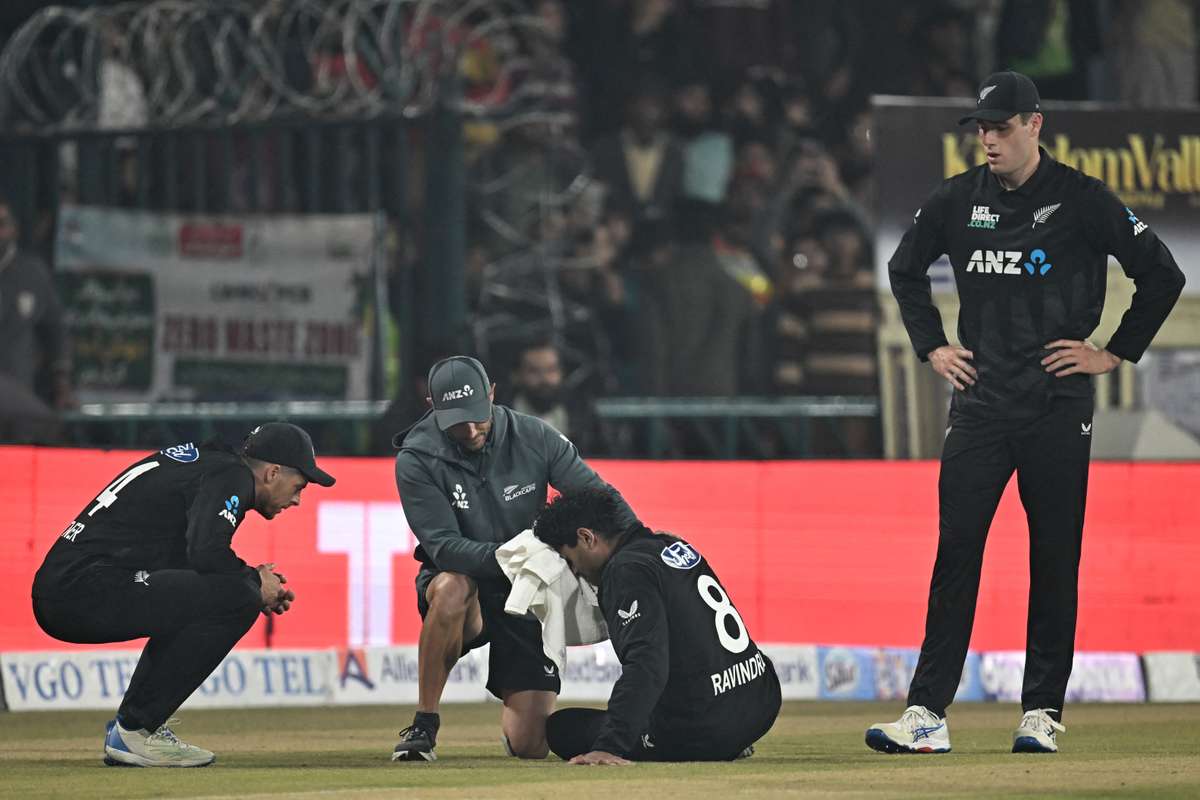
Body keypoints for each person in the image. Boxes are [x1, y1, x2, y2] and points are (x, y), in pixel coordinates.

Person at [870, 71, 1185, 755]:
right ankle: (926, 715)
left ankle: (1040, 712)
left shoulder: (1083, 198)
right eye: (981, 128)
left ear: (1035, 126)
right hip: (980, 403)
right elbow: (904, 268)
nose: (989, 139)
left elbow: (1164, 274)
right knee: (956, 555)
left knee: (1054, 558)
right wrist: (932, 348)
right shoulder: (958, 200)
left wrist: (1114, 353)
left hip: (1056, 404)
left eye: (1001, 127)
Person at [31, 422, 336, 767]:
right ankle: (136, 729)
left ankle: (134, 725)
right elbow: (206, 553)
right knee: (239, 597)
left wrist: (253, 581)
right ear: (272, 473)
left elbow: (193, 559)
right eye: (299, 486)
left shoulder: (206, 465)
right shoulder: (231, 476)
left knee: (234, 591)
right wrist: (253, 581)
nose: (297, 499)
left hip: (69, 587)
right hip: (81, 590)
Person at [390, 355, 637, 762]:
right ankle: (424, 725)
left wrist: (639, 542)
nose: (469, 430)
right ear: (431, 405)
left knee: (532, 746)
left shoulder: (534, 436)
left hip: (529, 589)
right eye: (456, 420)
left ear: (491, 395)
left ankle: (530, 722)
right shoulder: (417, 458)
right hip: (471, 584)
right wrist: (517, 558)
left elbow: (598, 499)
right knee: (452, 586)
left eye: (476, 416)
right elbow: (444, 547)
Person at [533, 487, 780, 764]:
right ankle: (731, 738)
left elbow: (647, 662)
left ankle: (719, 741)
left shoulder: (625, 570)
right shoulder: (671, 544)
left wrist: (609, 746)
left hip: (705, 727)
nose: (575, 571)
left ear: (586, 537)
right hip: (761, 704)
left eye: (569, 559)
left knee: (561, 728)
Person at [0, 194, 71, 441]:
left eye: (1, 224)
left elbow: (55, 329)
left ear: (13, 229)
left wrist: (61, 380)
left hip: (18, 396)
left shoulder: (31, 273)